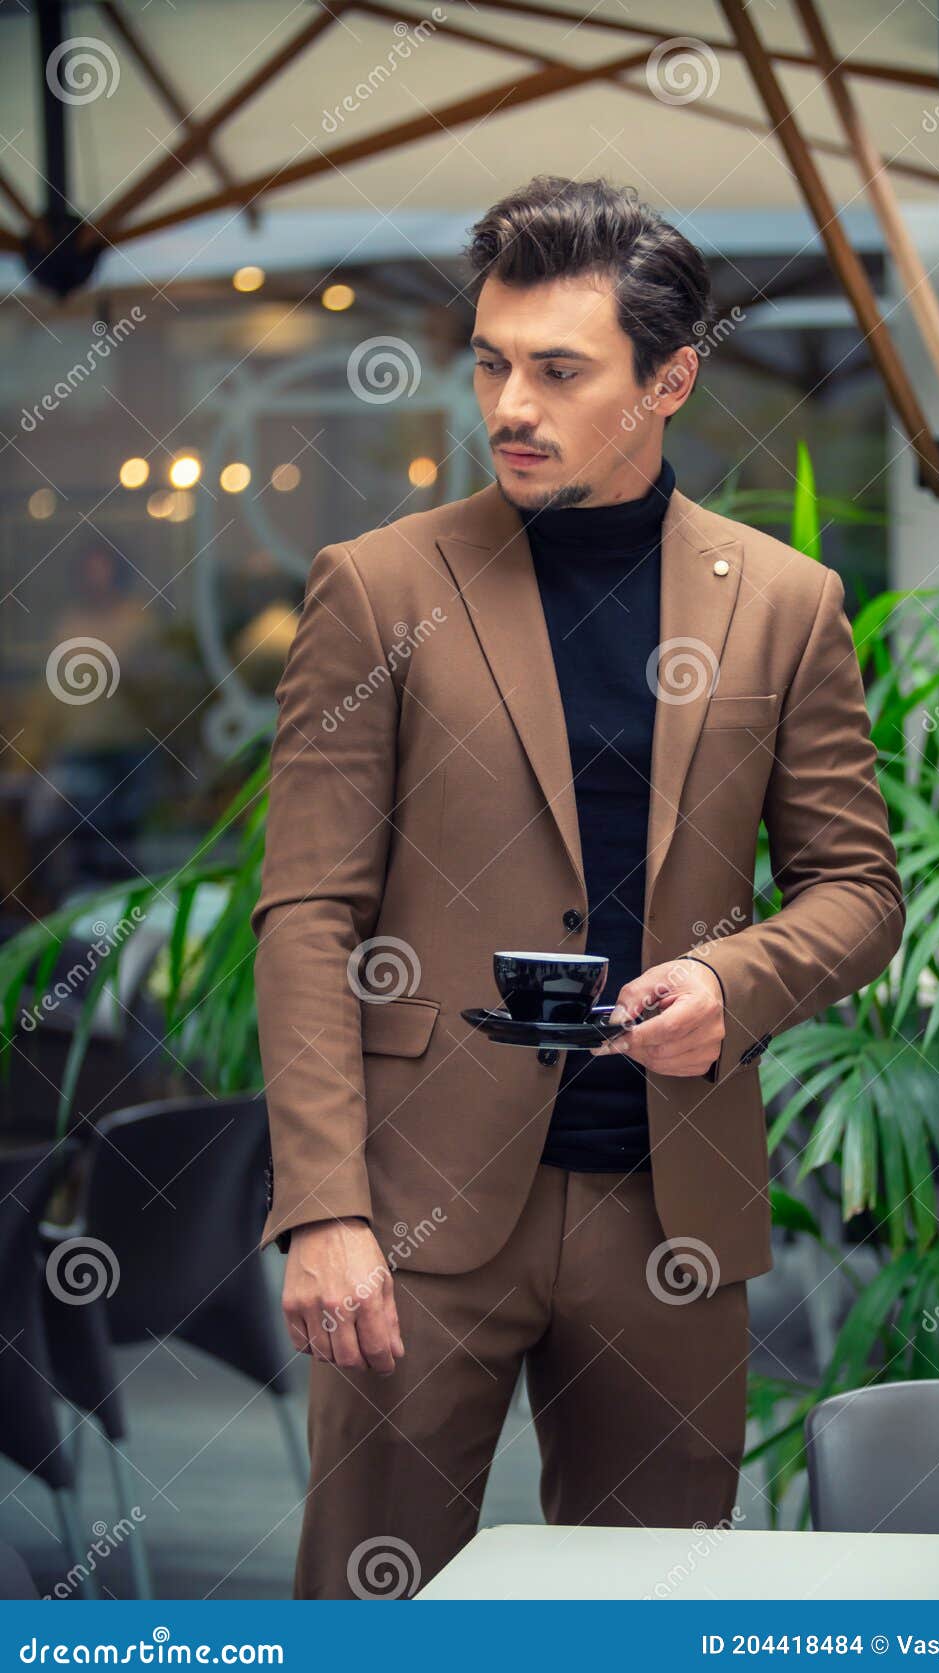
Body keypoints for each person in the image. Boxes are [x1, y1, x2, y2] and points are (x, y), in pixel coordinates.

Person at [251, 176, 905, 1600]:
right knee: (371, 1613)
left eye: (558, 368)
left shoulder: (785, 603)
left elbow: (857, 887)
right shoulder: (376, 587)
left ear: (668, 379)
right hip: (416, 1213)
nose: (509, 403)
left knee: (648, 1618)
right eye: (491, 360)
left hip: (669, 1206)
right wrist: (323, 1206)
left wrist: (734, 982)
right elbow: (307, 911)